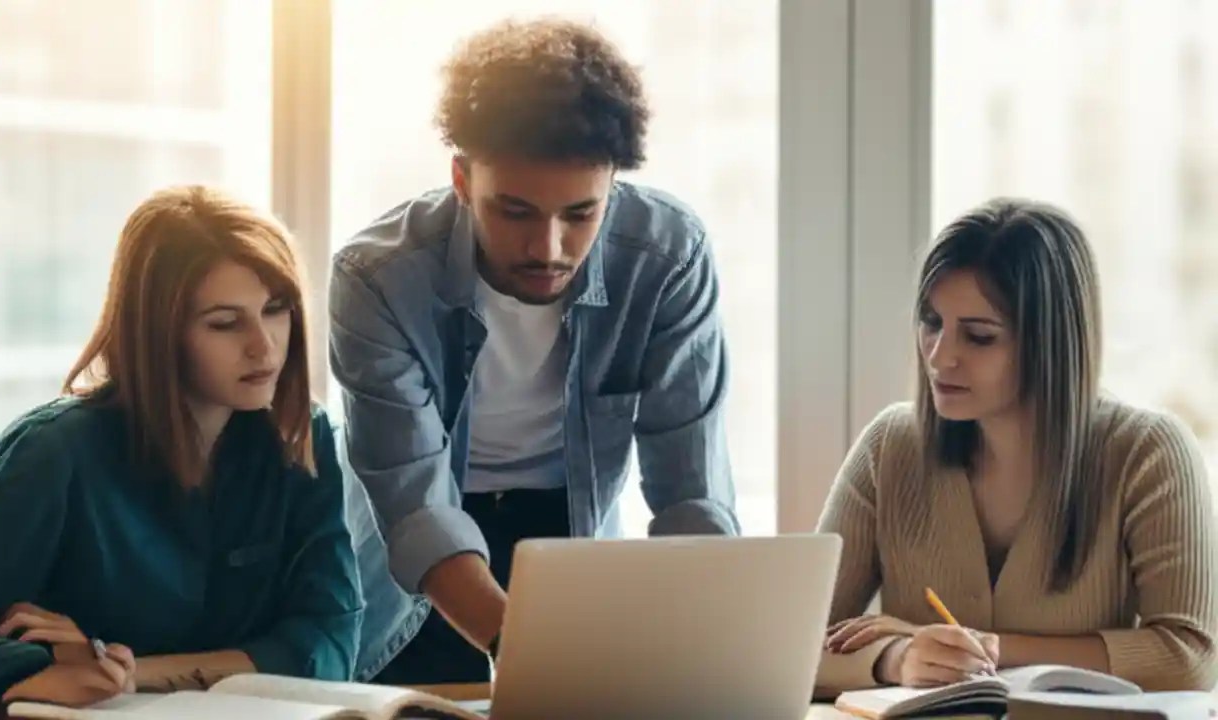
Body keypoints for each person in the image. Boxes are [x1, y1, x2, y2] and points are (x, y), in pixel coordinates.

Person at [330, 17, 740, 684]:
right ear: (462, 180)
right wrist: (533, 653)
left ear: (613, 185)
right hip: (414, 558)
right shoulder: (377, 277)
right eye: (514, 212)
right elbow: (417, 505)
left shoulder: (667, 257)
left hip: (568, 535)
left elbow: (691, 490)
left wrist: (700, 646)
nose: (549, 250)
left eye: (581, 214)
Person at [0, 186, 394, 716]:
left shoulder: (298, 435)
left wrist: (120, 671)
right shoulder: (51, 454)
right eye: (224, 323)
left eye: (275, 310)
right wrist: (37, 673)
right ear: (158, 333)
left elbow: (328, 644)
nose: (264, 346)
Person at [816, 198, 1218, 694]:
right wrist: (898, 659)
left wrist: (986, 646)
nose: (941, 357)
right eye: (931, 322)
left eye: (979, 337)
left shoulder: (1148, 454)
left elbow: (1190, 658)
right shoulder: (890, 446)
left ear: (1051, 344)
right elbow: (791, 647)